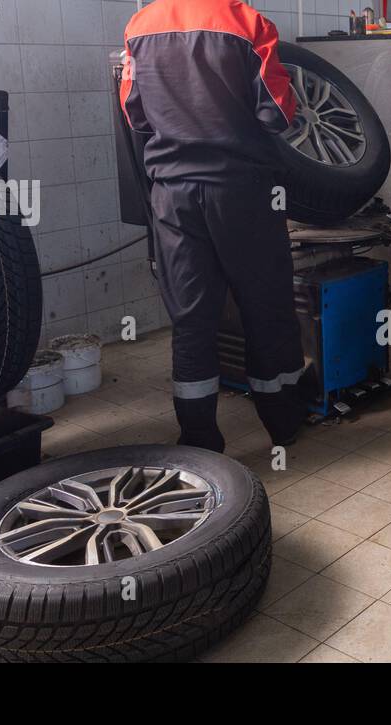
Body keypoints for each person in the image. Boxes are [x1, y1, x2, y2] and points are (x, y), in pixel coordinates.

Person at [120, 0, 308, 453]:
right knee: (265, 307)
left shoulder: (140, 26)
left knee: (191, 318)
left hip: (173, 195)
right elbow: (277, 113)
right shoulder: (249, 24)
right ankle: (283, 424)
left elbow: (135, 113)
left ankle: (199, 438)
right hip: (241, 191)